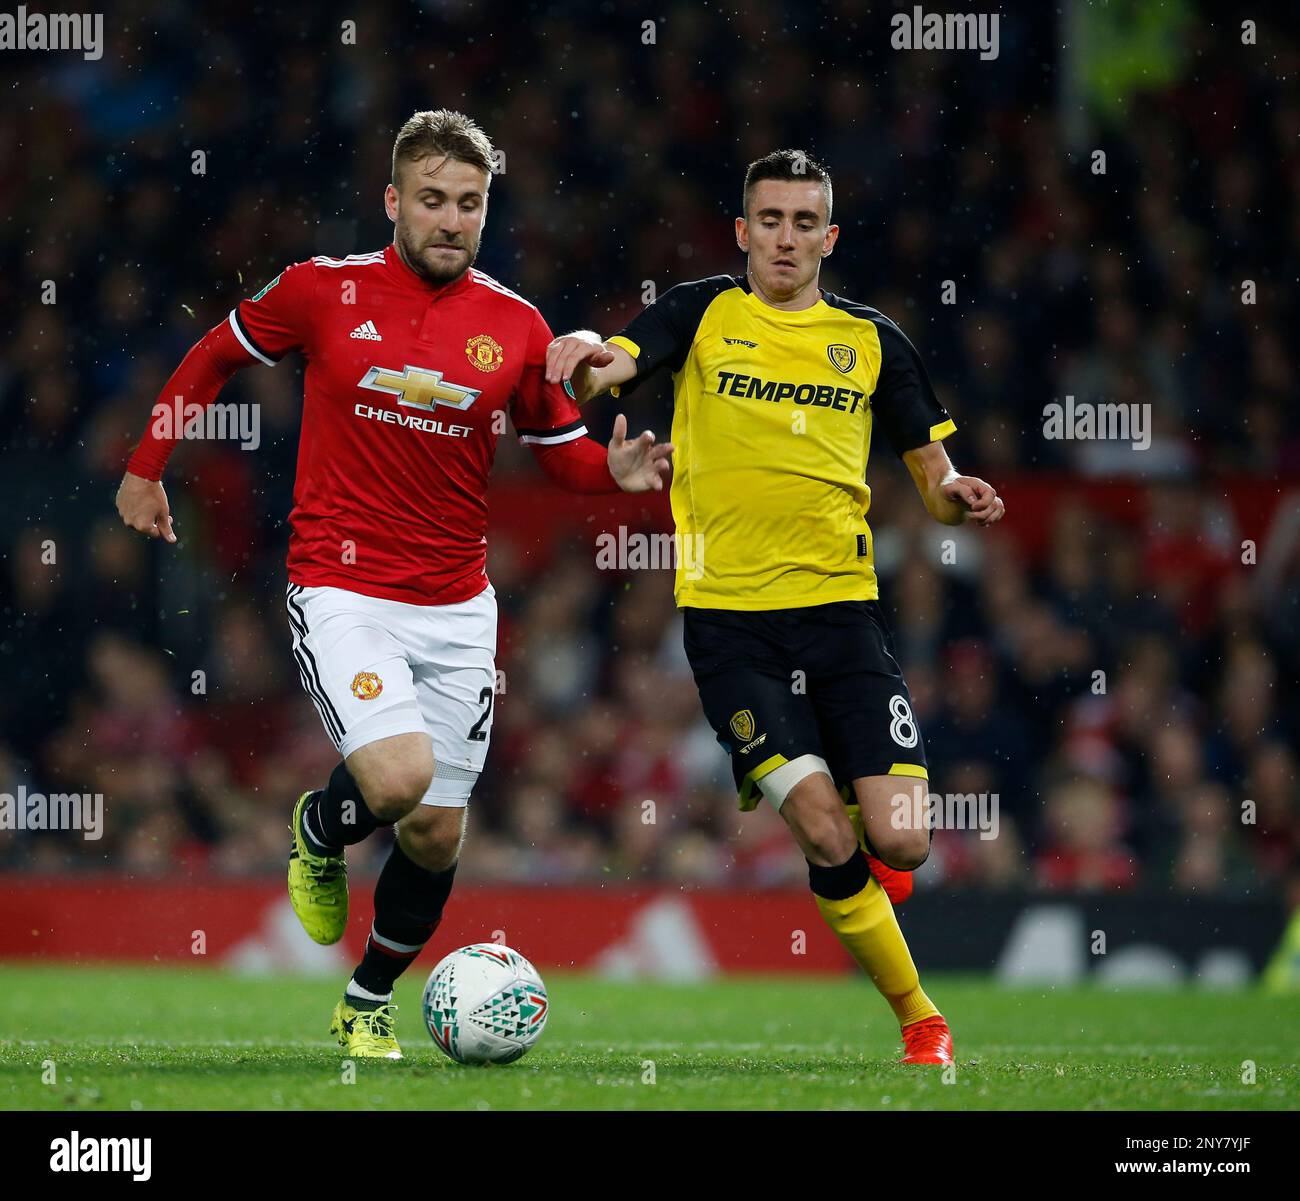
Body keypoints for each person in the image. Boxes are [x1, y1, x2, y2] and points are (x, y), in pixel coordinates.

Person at [116, 110, 672, 1059]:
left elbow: (559, 453)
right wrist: (145, 464)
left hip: (458, 606)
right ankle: (318, 826)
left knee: (433, 836)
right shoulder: (322, 291)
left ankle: (366, 1001)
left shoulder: (516, 325)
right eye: (433, 200)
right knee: (398, 777)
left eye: (470, 203)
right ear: (393, 202)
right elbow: (213, 353)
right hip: (342, 586)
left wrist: (608, 478)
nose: (452, 220)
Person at [545, 149, 1005, 1065]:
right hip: (730, 627)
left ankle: (840, 818)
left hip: (843, 617)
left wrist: (961, 496)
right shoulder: (700, 311)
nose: (786, 237)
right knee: (827, 830)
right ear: (742, 231)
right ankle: (921, 1018)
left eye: (804, 223)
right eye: (771, 219)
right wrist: (580, 365)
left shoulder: (872, 339)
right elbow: (615, 367)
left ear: (828, 238)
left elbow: (932, 472)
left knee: (905, 844)